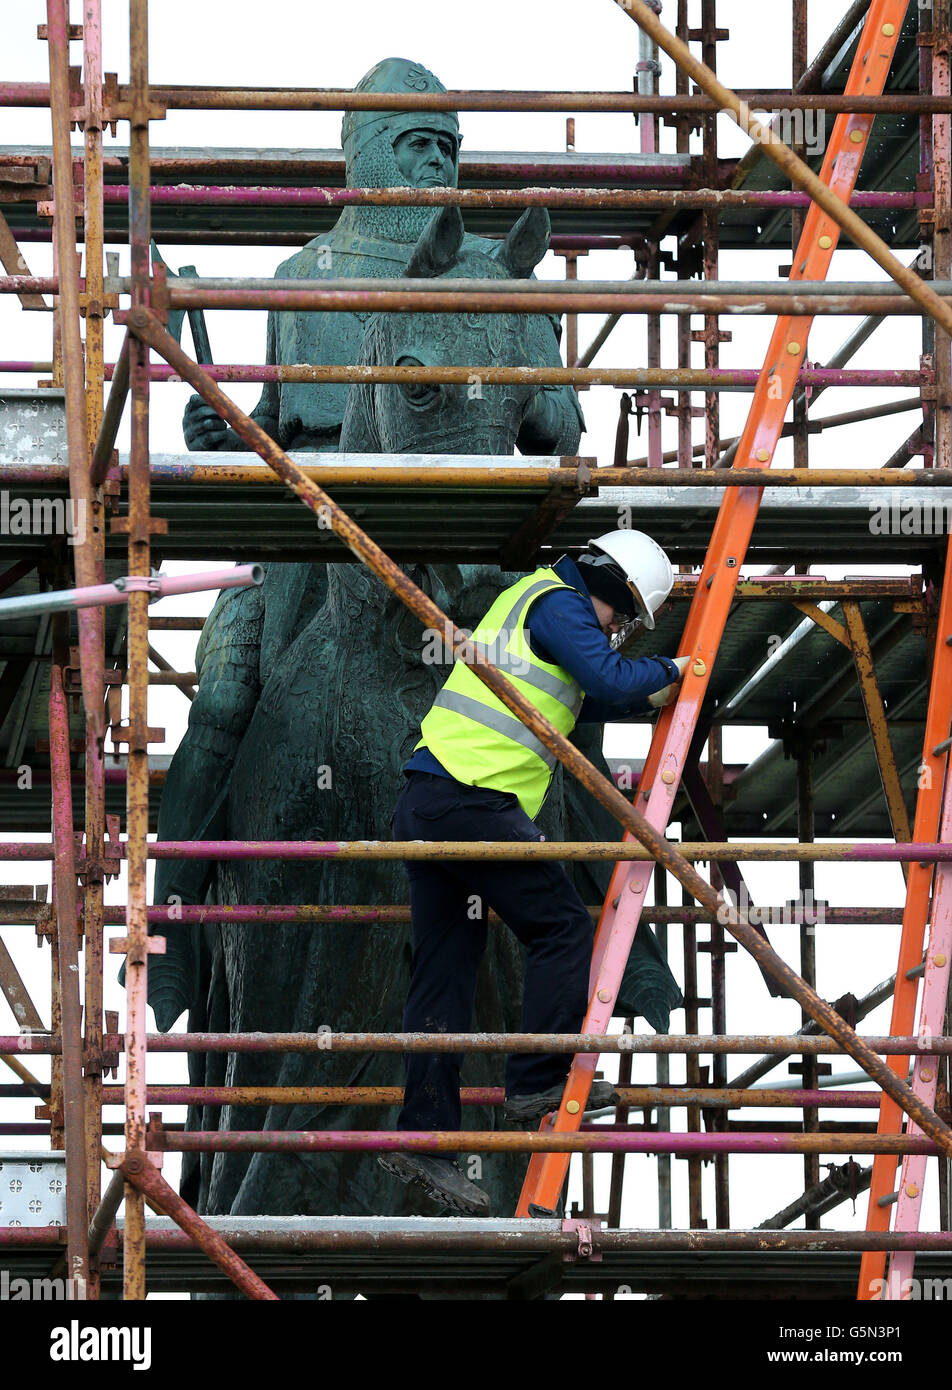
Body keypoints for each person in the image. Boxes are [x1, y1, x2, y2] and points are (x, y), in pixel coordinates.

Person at [379, 530, 687, 1215]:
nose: (618, 631)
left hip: (433, 801)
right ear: (611, 587)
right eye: (623, 616)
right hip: (472, 799)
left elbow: (596, 694)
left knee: (444, 977)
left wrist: (644, 694)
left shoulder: (535, 609)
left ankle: (424, 1136)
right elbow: (608, 677)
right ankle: (538, 1079)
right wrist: (674, 671)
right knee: (562, 928)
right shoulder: (558, 603)